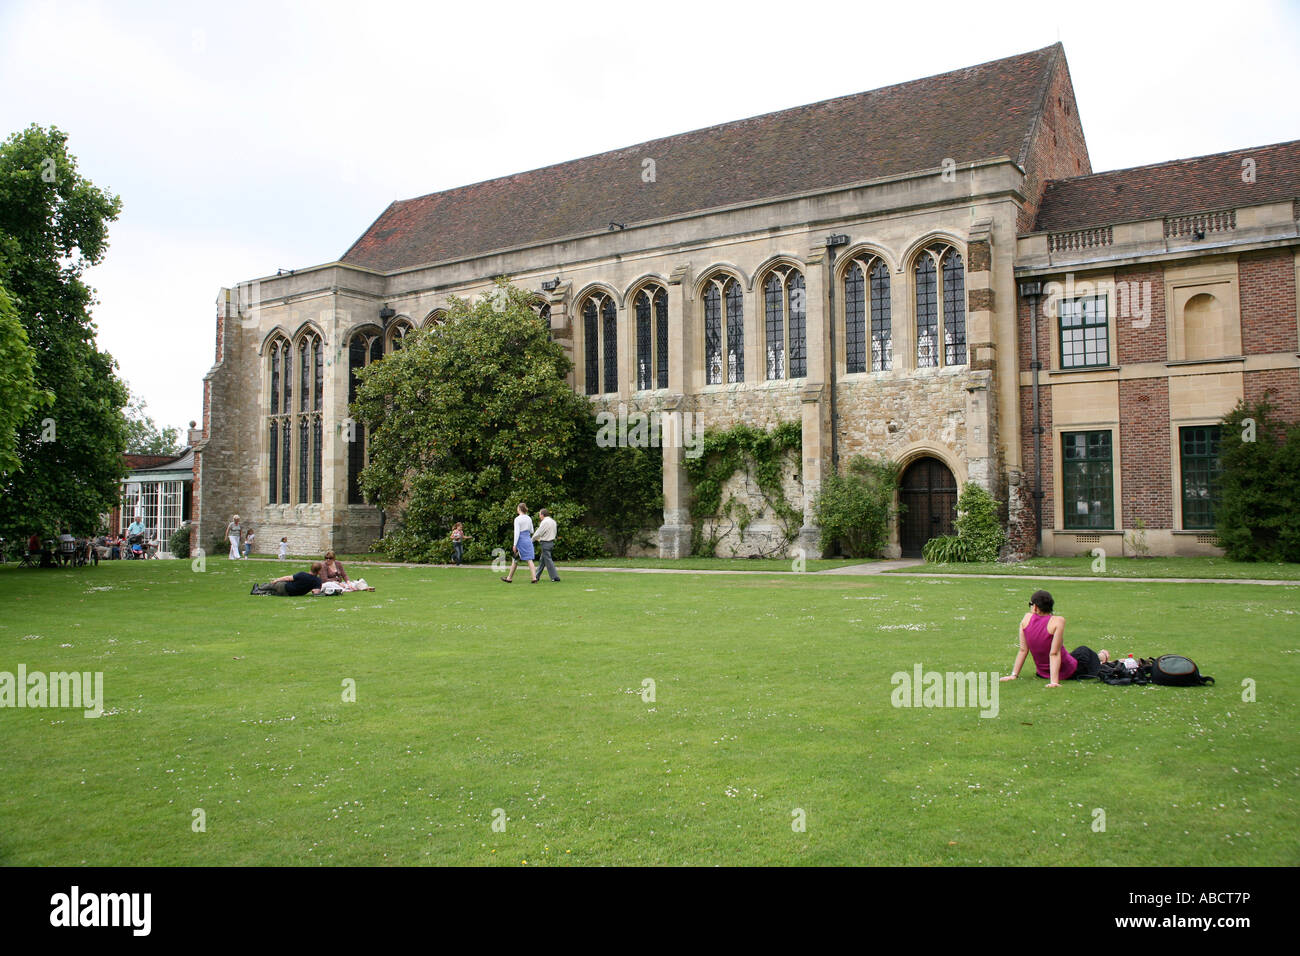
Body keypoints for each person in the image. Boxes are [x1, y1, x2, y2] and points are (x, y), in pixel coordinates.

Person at [1000, 590, 1105, 687]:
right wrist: (1054, 682)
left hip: (1043, 673)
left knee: (1078, 654)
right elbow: (1054, 653)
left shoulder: (1026, 619)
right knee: (1083, 651)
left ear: (1035, 607)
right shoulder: (1058, 621)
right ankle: (1102, 656)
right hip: (1068, 670)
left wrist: (1014, 675)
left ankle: (1101, 657)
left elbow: (1023, 650)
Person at [501, 503, 536, 584]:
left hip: (521, 540)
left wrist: (514, 544)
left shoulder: (517, 519)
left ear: (519, 509)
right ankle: (534, 578)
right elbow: (532, 531)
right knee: (526, 559)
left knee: (516, 559)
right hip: (528, 539)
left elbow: (517, 533)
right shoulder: (529, 518)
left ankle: (509, 578)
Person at [251, 562, 324, 596]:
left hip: (286, 587)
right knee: (272, 592)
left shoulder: (302, 574)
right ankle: (258, 591)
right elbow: (316, 592)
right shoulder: (317, 581)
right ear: (319, 571)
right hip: (291, 594)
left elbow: (288, 578)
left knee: (273, 585)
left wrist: (277, 580)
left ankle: (259, 588)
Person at [531, 508, 560, 583]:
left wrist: (531, 540)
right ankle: (536, 576)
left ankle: (555, 577)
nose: (539, 516)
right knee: (542, 561)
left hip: (545, 543)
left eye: (540, 514)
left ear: (543, 515)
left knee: (548, 560)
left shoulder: (545, 522)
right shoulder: (553, 521)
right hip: (551, 542)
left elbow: (538, 533)